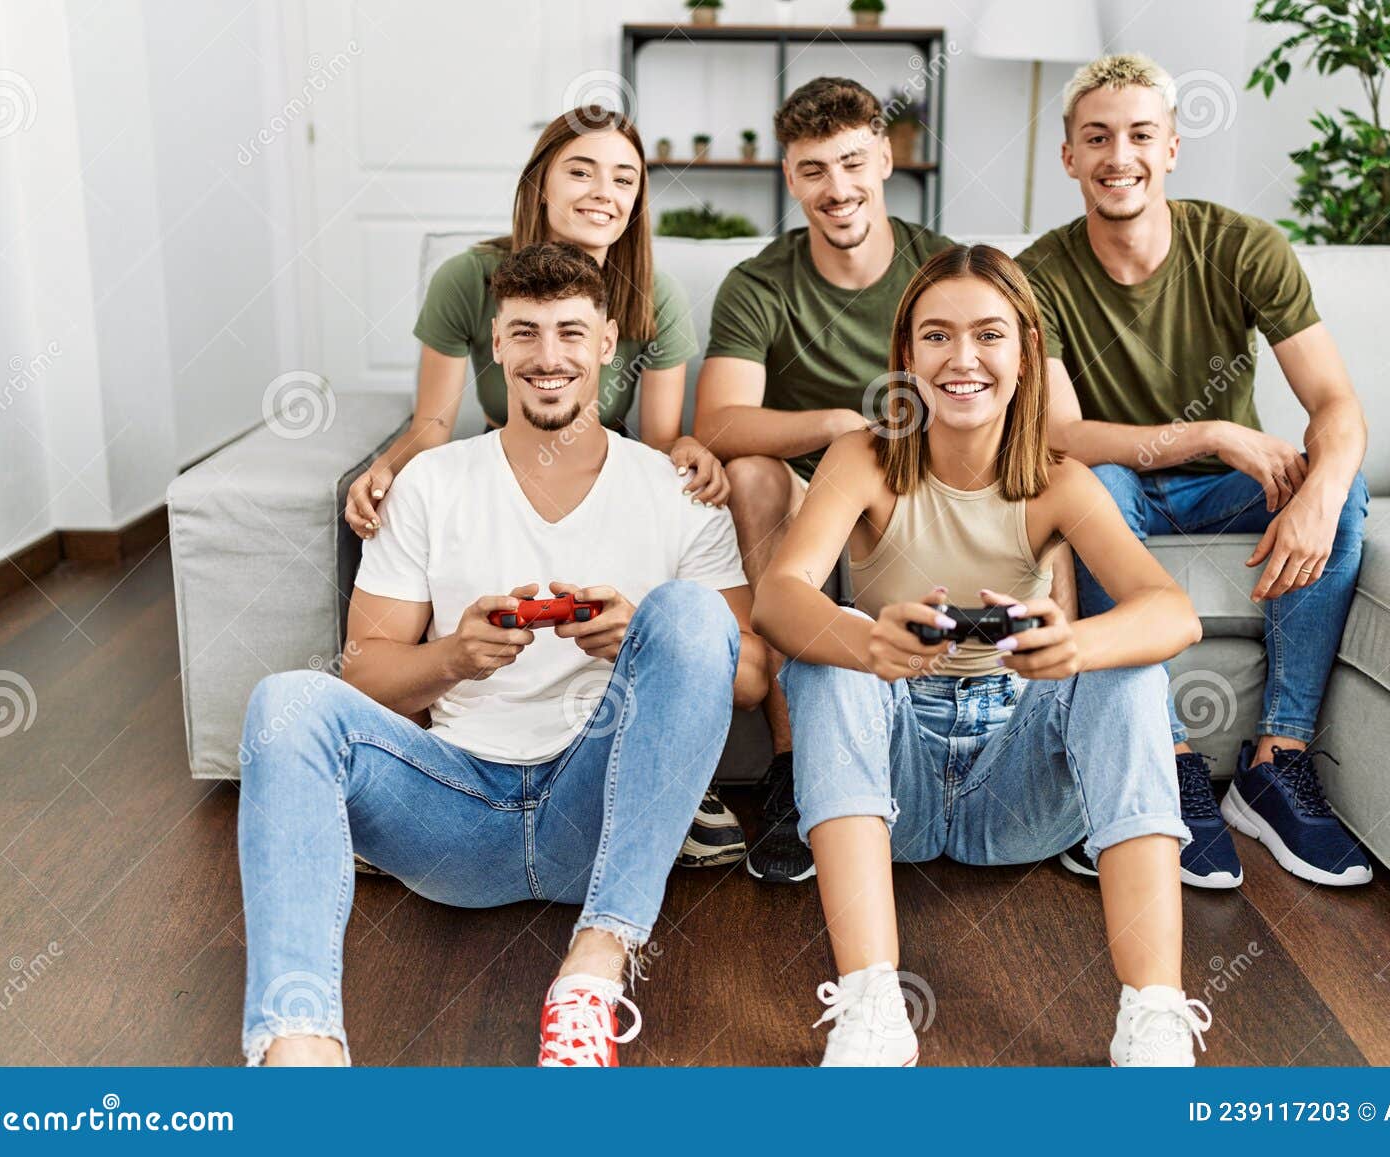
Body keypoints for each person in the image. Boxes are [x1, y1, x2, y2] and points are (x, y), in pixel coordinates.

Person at [239, 243, 766, 1068]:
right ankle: (300, 1049)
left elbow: (752, 674)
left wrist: (639, 639)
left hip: (599, 811)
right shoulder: (432, 482)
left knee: (690, 612)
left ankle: (594, 969)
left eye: (569, 332)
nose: (547, 357)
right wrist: (453, 656)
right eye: (525, 333)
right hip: (452, 812)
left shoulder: (675, 490)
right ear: (496, 345)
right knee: (285, 701)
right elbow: (364, 671)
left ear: (607, 343)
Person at [753, 244, 1211, 1066]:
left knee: (1130, 664)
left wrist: (1074, 644)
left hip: (1018, 788)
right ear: (907, 356)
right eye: (937, 337)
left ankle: (1155, 1014)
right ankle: (870, 1005)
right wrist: (869, 639)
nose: (962, 359)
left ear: (1027, 353)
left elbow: (1172, 612)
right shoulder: (863, 459)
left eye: (989, 335)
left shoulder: (1061, 479)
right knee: (827, 659)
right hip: (891, 780)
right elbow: (780, 596)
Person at [344, 105, 744, 869]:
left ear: (604, 339)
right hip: (501, 455)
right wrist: (391, 470)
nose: (603, 192)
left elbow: (658, 441)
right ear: (541, 184)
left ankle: (660, 778)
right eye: (581, 170)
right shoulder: (473, 278)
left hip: (605, 456)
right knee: (403, 515)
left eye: (623, 177)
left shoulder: (650, 296)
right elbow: (433, 421)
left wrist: (689, 456)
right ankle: (428, 771)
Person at [1015, 53, 1372, 891]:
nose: (1119, 156)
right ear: (1068, 156)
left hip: (1225, 490)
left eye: (1141, 134)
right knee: (1087, 489)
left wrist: (1320, 491)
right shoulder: (1038, 275)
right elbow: (1064, 433)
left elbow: (1336, 405)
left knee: (1341, 485)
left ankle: (1275, 763)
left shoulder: (1243, 247)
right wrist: (1210, 428)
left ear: (1172, 146)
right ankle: (1167, 756)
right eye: (1096, 137)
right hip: (1121, 480)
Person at [693, 77, 955, 884]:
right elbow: (720, 425)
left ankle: (933, 761)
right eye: (814, 170)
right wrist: (840, 424)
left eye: (851, 162)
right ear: (789, 176)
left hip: (910, 481)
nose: (836, 190)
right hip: (809, 488)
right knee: (752, 475)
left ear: (884, 157)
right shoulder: (760, 282)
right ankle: (792, 765)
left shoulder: (940, 268)